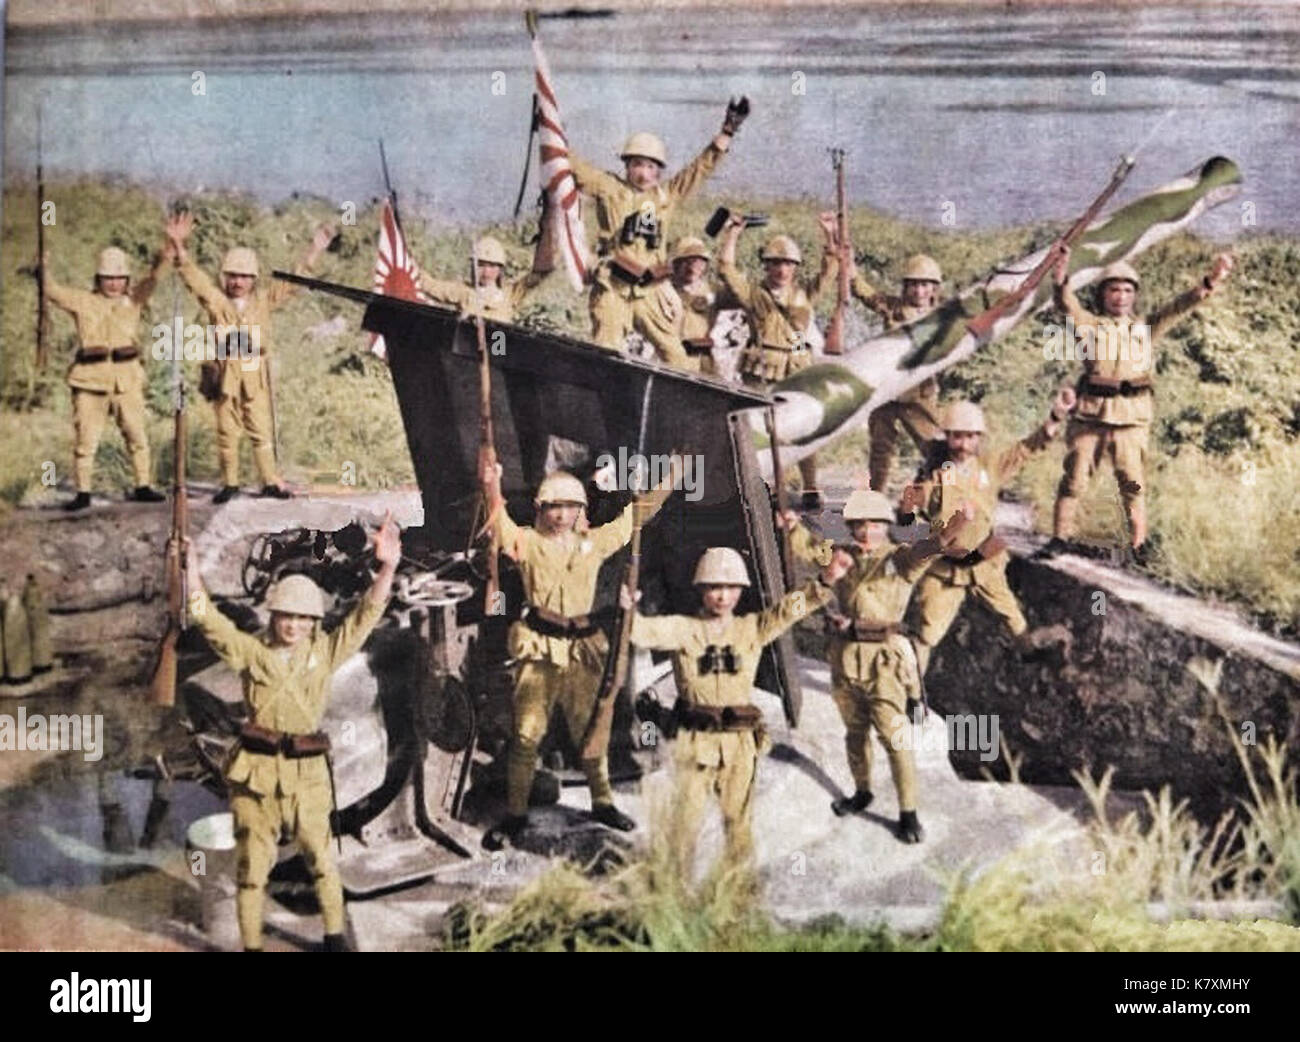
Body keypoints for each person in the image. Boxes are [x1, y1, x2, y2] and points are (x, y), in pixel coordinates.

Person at [183, 512, 400, 952]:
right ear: (273, 615)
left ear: (315, 622)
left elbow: (365, 616)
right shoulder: (251, 653)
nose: (294, 626)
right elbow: (206, 618)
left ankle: (334, 936)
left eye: (304, 619)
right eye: (286, 616)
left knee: (322, 861)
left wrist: (389, 567)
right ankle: (252, 945)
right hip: (256, 775)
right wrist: (188, 568)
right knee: (252, 871)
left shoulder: (325, 652)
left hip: (308, 777)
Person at [624, 545, 848, 879]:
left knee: (738, 825)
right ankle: (673, 897)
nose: (723, 595)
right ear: (701, 590)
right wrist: (628, 611)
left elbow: (788, 611)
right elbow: (643, 632)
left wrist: (824, 582)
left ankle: (739, 896)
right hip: (694, 741)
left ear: (741, 591)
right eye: (715, 587)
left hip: (739, 744)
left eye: (730, 588)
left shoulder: (751, 628)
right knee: (685, 824)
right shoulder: (683, 629)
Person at [478, 463, 669, 850]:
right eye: (553, 506)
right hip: (539, 647)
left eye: (569, 506)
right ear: (540, 509)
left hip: (582, 649)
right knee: (526, 734)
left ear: (581, 509)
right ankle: (515, 815)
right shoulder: (528, 543)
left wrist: (670, 479)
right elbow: (498, 526)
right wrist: (491, 483)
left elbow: (636, 516)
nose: (561, 515)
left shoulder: (593, 543)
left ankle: (602, 803)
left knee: (591, 729)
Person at [780, 492, 970, 842]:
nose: (868, 532)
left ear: (887, 527)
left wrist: (952, 528)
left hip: (885, 665)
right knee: (854, 734)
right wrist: (792, 527)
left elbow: (927, 550)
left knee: (896, 740)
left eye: (876, 524)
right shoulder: (843, 556)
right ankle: (862, 791)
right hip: (845, 659)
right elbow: (811, 549)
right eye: (861, 525)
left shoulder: (898, 561)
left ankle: (908, 812)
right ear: (851, 527)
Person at [1044, 246, 1235, 558]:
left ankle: (1138, 545)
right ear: (1103, 294)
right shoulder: (1089, 325)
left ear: (1134, 295)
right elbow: (1065, 303)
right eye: (1114, 290)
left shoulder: (1145, 329)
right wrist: (1061, 271)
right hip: (1091, 416)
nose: (1120, 296)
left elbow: (1180, 306)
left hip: (1132, 418)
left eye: (1127, 290)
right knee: (1074, 480)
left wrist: (1213, 278)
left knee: (1132, 485)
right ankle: (1059, 539)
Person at [166, 212, 335, 503]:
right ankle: (229, 483)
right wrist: (179, 246)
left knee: (261, 430)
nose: (238, 281)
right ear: (225, 277)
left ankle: (270, 481)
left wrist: (314, 249)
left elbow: (294, 281)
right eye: (233, 275)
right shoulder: (217, 301)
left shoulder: (262, 301)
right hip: (226, 370)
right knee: (226, 432)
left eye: (244, 276)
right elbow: (193, 277)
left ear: (253, 279)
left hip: (254, 372)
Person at [903, 393, 1076, 678]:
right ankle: (911, 691)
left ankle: (1032, 656)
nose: (963, 444)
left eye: (970, 437)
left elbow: (1026, 449)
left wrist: (1056, 416)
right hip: (945, 569)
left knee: (1014, 619)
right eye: (957, 437)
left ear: (979, 438)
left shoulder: (990, 466)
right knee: (927, 632)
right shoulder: (933, 477)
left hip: (984, 563)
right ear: (947, 438)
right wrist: (910, 503)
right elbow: (908, 513)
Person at [568, 98, 747, 365]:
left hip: (649, 290)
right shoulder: (608, 187)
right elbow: (574, 168)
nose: (643, 173)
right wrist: (551, 136)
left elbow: (699, 170)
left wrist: (727, 132)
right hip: (613, 287)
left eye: (651, 166)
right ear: (627, 165)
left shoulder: (666, 196)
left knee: (676, 357)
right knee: (606, 353)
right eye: (637, 164)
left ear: (659, 171)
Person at [719, 211, 840, 508]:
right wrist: (733, 235)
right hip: (759, 370)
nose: (781, 270)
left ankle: (810, 487)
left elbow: (831, 269)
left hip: (797, 369)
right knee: (758, 432)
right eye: (775, 263)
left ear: (795, 268)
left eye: (787, 264)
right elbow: (726, 268)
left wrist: (829, 234)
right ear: (767, 266)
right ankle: (765, 486)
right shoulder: (754, 295)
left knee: (804, 429)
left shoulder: (805, 294)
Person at [40, 243, 171, 510]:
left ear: (127, 280)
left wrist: (166, 255)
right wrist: (42, 268)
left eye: (119, 278)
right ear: (98, 279)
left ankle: (143, 485)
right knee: (85, 440)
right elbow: (51, 291)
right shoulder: (83, 301)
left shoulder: (134, 300)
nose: (113, 284)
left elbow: (155, 278)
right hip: (90, 381)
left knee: (137, 436)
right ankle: (83, 492)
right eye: (107, 278)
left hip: (127, 379)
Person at [850, 254, 946, 494]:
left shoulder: (943, 316)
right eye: (913, 284)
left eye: (924, 284)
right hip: (887, 389)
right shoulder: (893, 307)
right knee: (881, 449)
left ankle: (917, 496)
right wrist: (847, 260)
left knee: (936, 449)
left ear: (934, 288)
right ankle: (875, 501)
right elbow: (862, 290)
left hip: (920, 392)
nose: (918, 290)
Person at [419, 234, 550, 323]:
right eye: (481, 265)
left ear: (500, 269)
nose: (486, 272)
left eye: (492, 266)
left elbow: (539, 274)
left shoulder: (510, 293)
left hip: (497, 351)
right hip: (468, 349)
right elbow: (430, 286)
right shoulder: (463, 291)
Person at [667, 235, 737, 376]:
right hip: (667, 355)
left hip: (698, 360)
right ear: (676, 263)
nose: (693, 267)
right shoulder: (664, 289)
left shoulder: (713, 292)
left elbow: (741, 295)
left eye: (699, 262)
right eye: (687, 261)